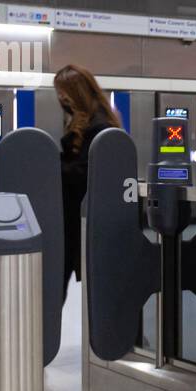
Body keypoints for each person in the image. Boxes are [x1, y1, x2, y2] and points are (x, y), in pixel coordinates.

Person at [55, 64, 121, 298]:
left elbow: (86, 174)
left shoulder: (100, 127)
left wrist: (55, 166)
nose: (61, 98)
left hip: (81, 220)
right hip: (74, 219)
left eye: (64, 93)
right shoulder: (86, 121)